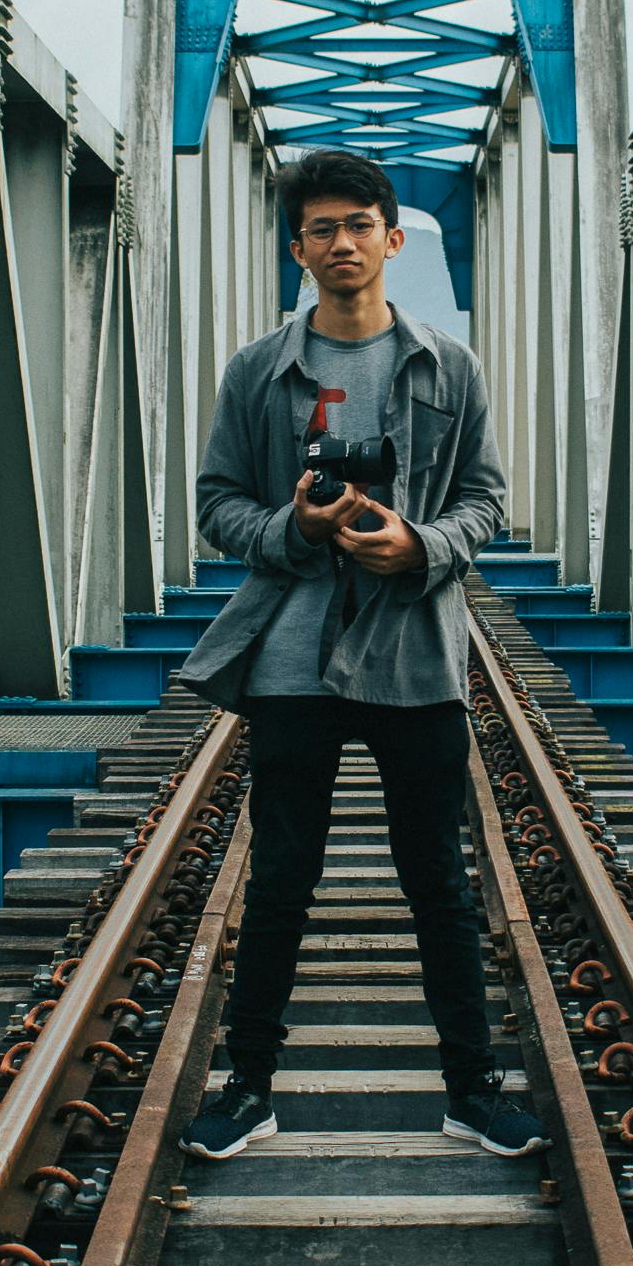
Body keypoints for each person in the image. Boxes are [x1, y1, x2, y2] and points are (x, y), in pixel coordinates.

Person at [172, 148, 541, 1162]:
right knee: (284, 874)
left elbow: (485, 499)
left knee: (439, 879)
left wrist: (419, 546)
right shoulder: (257, 370)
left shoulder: (446, 367)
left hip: (416, 654)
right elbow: (217, 505)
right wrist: (293, 528)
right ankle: (248, 1086)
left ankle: (472, 1088)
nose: (342, 243)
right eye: (321, 229)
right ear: (299, 249)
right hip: (291, 659)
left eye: (358, 224)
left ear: (393, 235)